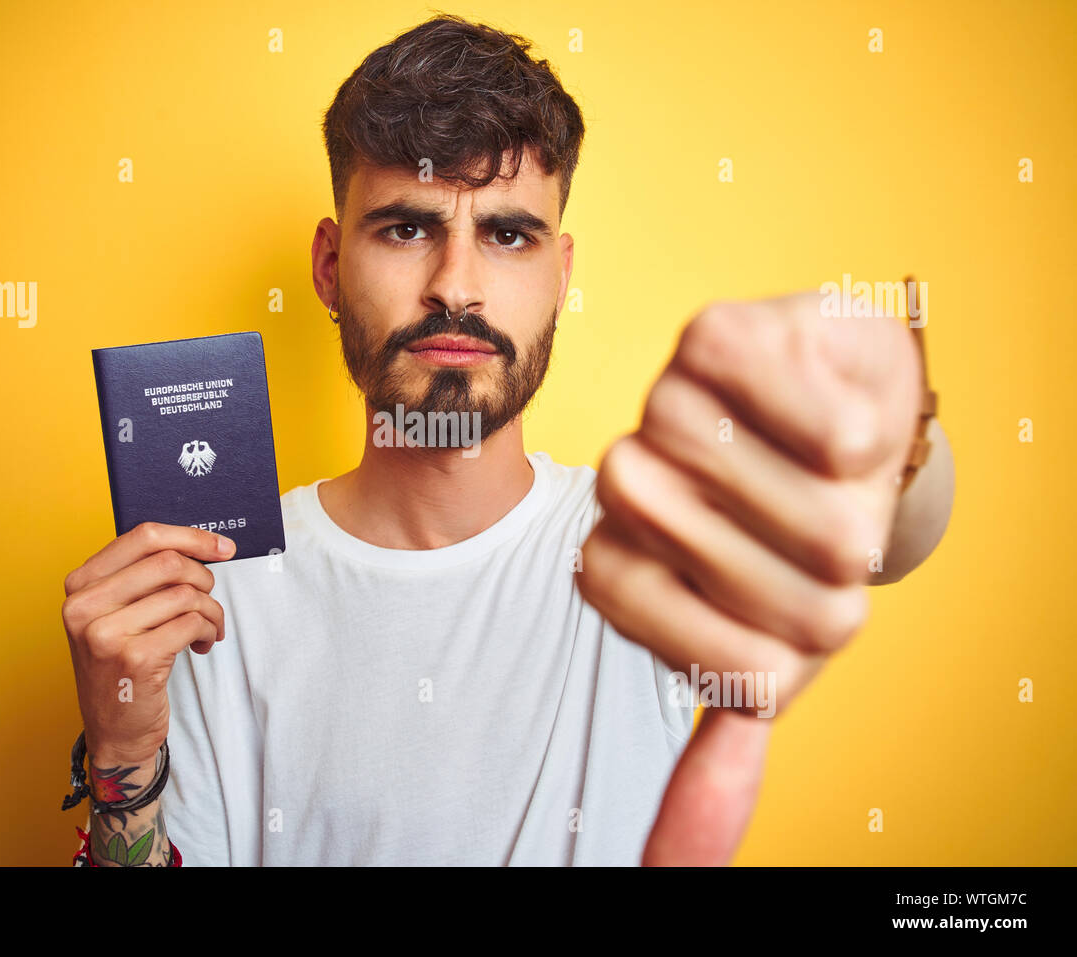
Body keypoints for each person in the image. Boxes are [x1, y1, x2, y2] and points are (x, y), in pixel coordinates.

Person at [60, 13, 955, 866]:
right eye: (407, 227)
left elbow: (886, 536)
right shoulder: (217, 593)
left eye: (508, 234)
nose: (457, 286)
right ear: (331, 267)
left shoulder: (646, 538)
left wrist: (884, 424)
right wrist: (122, 757)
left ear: (561, 274)